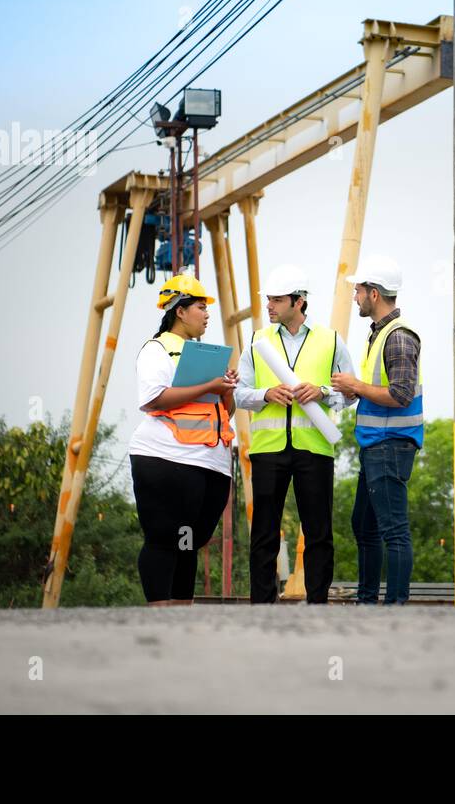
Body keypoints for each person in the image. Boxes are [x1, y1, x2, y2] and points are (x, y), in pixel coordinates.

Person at [235, 263, 356, 604]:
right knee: (263, 534)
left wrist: (321, 391)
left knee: (318, 533)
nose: (269, 306)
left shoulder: (331, 340)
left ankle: (317, 605)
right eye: (268, 299)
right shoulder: (258, 341)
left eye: (275, 299)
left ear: (298, 301)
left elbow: (349, 393)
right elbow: (239, 393)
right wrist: (265, 394)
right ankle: (262, 608)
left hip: (314, 449)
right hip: (268, 450)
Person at [127, 273, 235, 606]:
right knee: (163, 538)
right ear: (180, 310)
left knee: (190, 541)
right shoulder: (157, 349)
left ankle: (181, 617)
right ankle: (161, 615)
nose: (207, 314)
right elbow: (154, 398)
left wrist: (226, 388)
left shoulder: (206, 355)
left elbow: (224, 412)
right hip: (165, 457)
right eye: (201, 307)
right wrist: (208, 386)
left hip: (209, 461)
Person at [330, 255, 421, 606]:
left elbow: (400, 394)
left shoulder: (397, 337)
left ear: (374, 293)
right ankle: (367, 602)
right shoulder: (381, 335)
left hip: (390, 445)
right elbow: (382, 389)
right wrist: (357, 389)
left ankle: (394, 607)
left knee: (393, 530)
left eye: (358, 290)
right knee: (364, 526)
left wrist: (356, 384)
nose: (355, 296)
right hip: (376, 446)